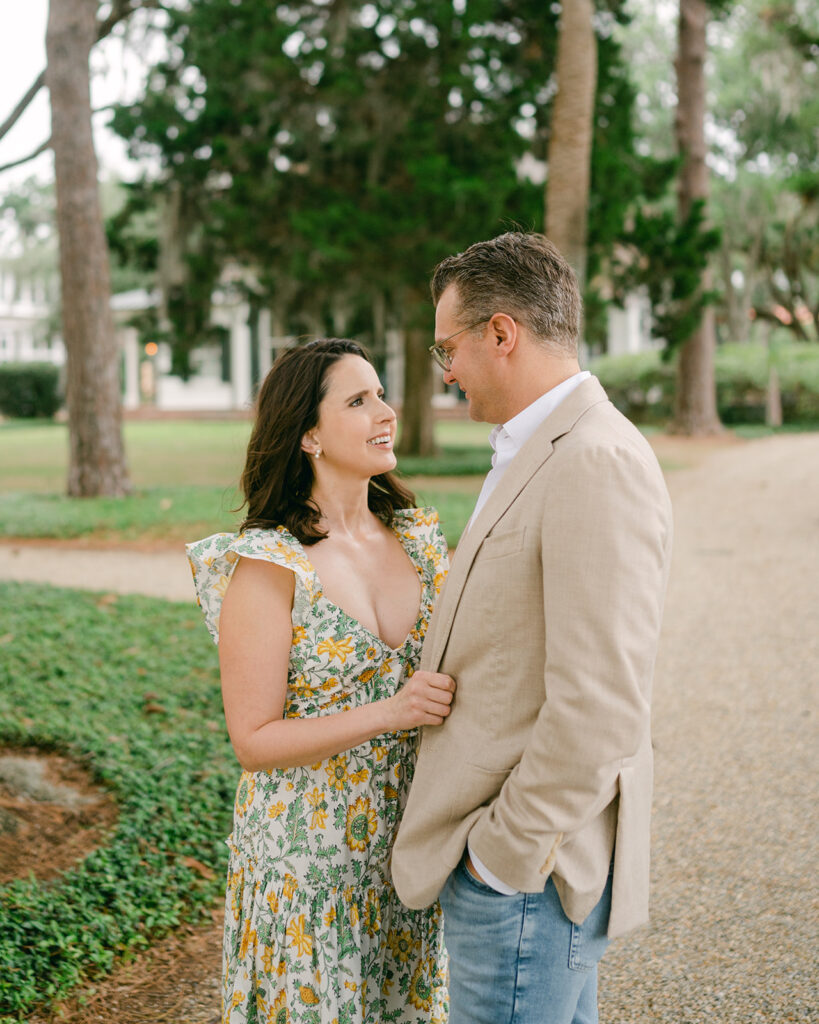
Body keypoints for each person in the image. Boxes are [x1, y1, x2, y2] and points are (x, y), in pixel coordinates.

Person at [391, 233, 673, 1024]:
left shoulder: (593, 459)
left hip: (528, 881)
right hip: (520, 877)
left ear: (501, 333)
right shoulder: (534, 449)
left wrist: (499, 857)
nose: (445, 370)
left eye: (448, 348)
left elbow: (600, 704)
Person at [187, 339, 453, 1024]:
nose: (386, 413)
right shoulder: (269, 565)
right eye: (358, 401)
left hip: (410, 853)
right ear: (308, 434)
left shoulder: (419, 542)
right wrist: (390, 713)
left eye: (381, 394)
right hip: (307, 865)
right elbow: (254, 741)